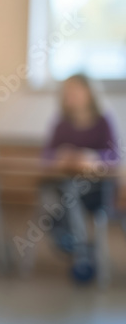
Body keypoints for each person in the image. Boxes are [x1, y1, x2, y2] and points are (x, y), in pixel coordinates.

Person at [40, 73, 120, 282]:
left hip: (96, 190)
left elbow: (114, 155)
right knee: (58, 190)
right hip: (66, 191)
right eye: (67, 92)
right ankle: (78, 247)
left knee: (68, 193)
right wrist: (60, 156)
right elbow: (47, 154)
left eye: (76, 91)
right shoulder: (61, 124)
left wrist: (93, 158)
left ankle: (79, 251)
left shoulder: (103, 121)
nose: (71, 96)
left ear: (89, 93)